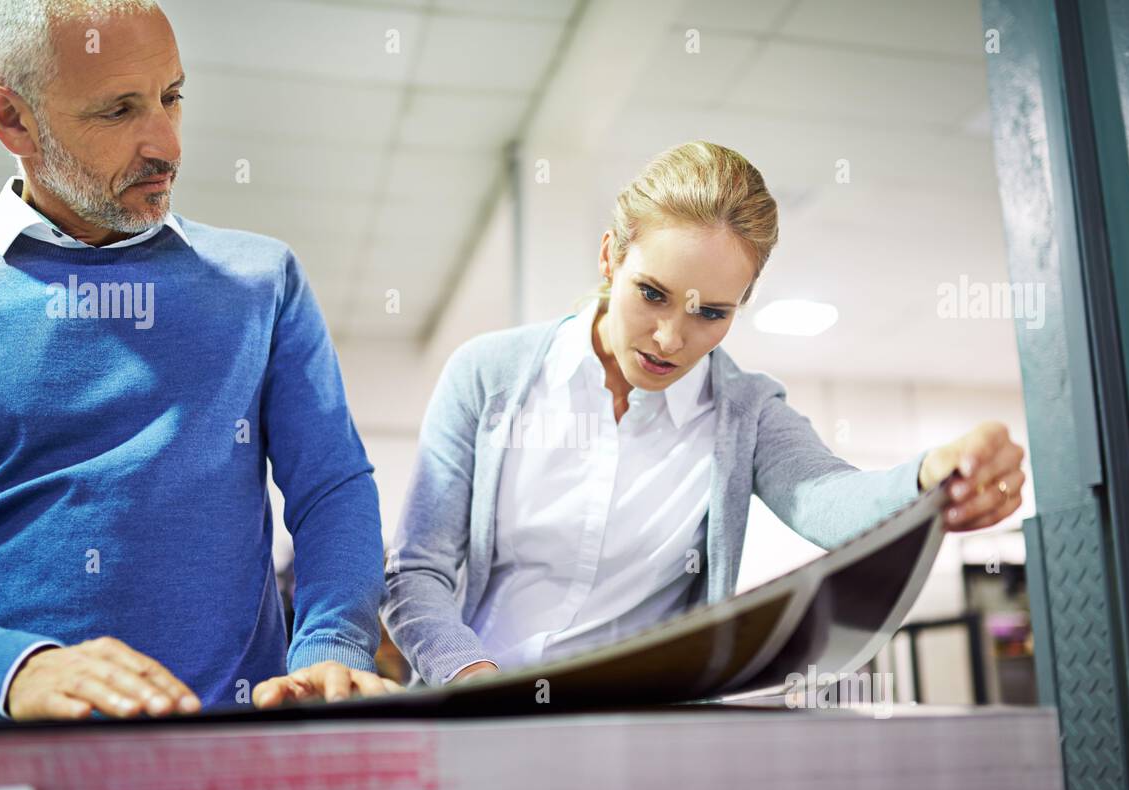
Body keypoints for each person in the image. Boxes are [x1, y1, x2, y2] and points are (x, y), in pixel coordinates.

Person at [0, 0, 397, 721]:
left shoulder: (263, 283)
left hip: (232, 757)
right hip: (6, 769)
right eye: (119, 110)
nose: (167, 145)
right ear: (12, 119)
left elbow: (333, 489)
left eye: (172, 97)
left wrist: (331, 645)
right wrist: (13, 671)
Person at [381, 141, 1026, 685]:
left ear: (740, 303)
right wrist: (473, 680)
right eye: (652, 294)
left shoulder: (743, 412)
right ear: (610, 257)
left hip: (642, 730)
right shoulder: (488, 375)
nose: (669, 339)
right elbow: (417, 572)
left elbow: (830, 497)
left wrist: (931, 477)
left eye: (710, 313)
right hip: (481, 708)